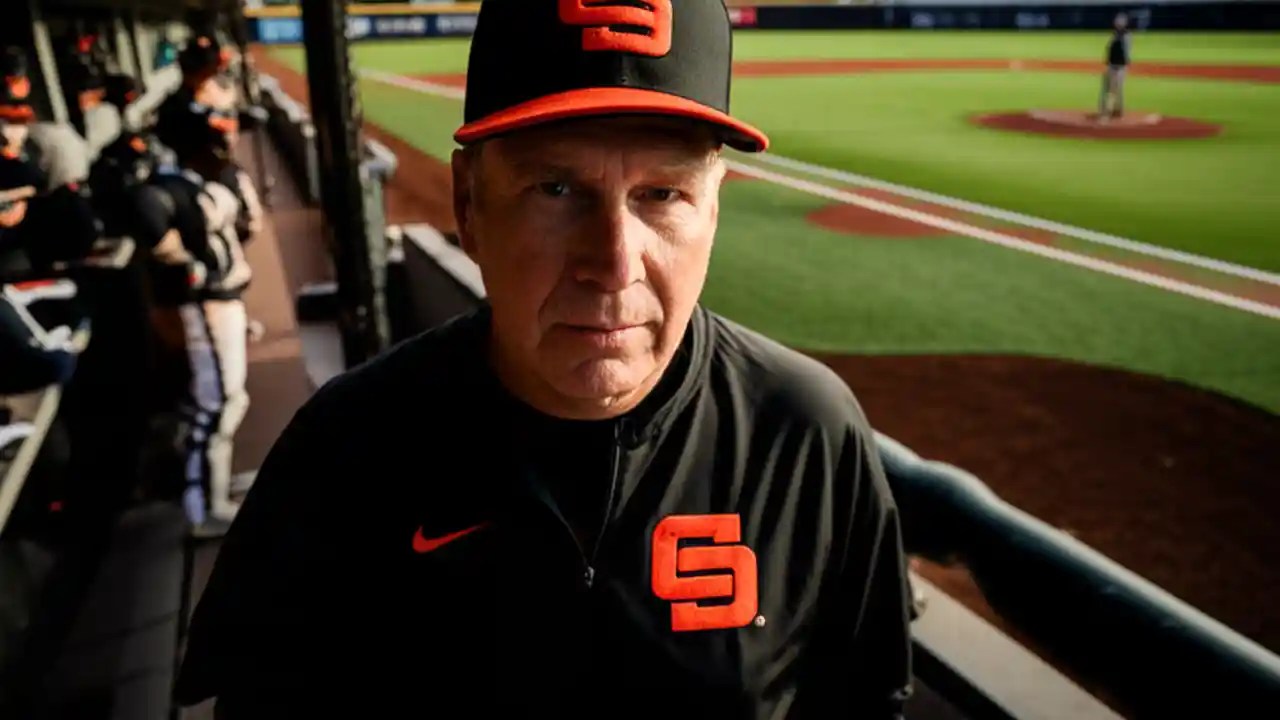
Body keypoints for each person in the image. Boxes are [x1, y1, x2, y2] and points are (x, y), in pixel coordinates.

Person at [175, 0, 913, 717]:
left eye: (663, 193)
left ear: (713, 209)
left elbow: (864, 695)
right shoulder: (343, 451)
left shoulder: (806, 430)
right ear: (470, 203)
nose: (614, 262)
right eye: (555, 189)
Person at [126, 103, 251, 538]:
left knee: (225, 403)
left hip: (219, 305)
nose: (223, 144)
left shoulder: (198, 181)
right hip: (204, 308)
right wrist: (181, 261)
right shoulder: (167, 183)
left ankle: (213, 491)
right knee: (215, 406)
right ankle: (203, 508)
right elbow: (144, 210)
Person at [1098, 12, 1131, 121]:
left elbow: (1124, 53)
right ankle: (1113, 111)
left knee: (1114, 90)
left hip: (1119, 66)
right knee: (1110, 89)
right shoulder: (1115, 35)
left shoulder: (1125, 36)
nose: (1118, 23)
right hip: (1112, 65)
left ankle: (1107, 113)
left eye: (1120, 22)